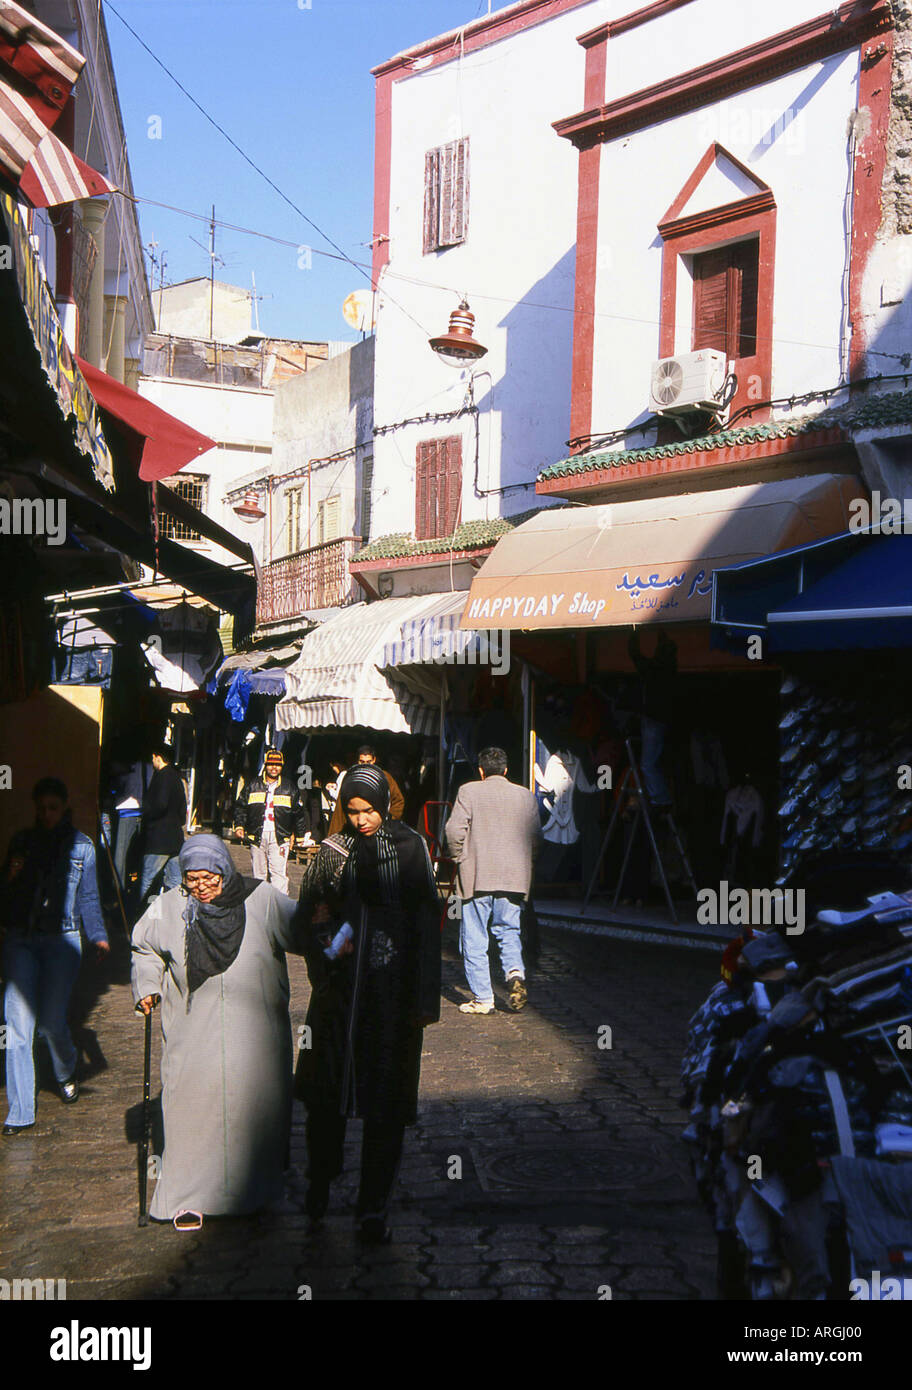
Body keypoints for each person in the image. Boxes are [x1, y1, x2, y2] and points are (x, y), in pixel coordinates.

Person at [293, 764, 441, 1243]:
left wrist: (425, 998)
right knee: (326, 1100)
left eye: (369, 810)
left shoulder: (412, 848)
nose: (361, 820)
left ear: (385, 805)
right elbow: (307, 919)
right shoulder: (333, 853)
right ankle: (320, 1181)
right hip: (339, 999)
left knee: (386, 1104)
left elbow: (426, 923)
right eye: (353, 811)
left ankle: (373, 1207)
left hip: (392, 1002)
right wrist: (332, 943)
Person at [131, 834, 299, 1228]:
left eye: (210, 878)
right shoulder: (168, 906)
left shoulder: (262, 899)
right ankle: (187, 1198)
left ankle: (253, 1195)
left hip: (252, 1034)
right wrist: (148, 986)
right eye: (193, 879)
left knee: (251, 1109)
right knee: (189, 1109)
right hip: (192, 1032)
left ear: (225, 870)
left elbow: (305, 928)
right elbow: (145, 947)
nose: (202, 887)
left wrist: (336, 929)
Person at [1, 778, 110, 1134]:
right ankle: (20, 1112)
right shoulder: (22, 841)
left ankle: (65, 1070)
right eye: (41, 808)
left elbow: (89, 897)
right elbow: (6, 891)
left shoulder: (82, 846)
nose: (46, 814)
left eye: (53, 807)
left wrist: (98, 935)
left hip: (63, 938)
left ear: (64, 808)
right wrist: (11, 876)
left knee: (50, 1021)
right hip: (22, 939)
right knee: (17, 1025)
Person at [444, 746, 543, 1015]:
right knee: (509, 930)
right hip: (514, 876)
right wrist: (527, 863)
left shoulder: (468, 791)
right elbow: (536, 837)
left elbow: (453, 830)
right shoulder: (525, 795)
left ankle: (483, 999)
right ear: (506, 770)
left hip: (477, 875)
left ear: (481, 770)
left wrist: (459, 857)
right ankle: (514, 973)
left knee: (474, 937)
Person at [233, 747, 303, 896]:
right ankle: (260, 903)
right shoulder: (252, 785)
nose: (274, 768)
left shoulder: (290, 787)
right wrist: (239, 825)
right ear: (265, 765)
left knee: (279, 874)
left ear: (282, 766)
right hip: (257, 835)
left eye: (277, 765)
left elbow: (298, 813)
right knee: (259, 875)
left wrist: (300, 835)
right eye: (271, 764)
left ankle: (280, 905)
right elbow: (241, 807)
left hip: (280, 837)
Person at [138, 744, 186, 906]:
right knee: (175, 882)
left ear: (158, 757)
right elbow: (182, 810)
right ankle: (175, 913)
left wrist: (147, 816)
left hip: (159, 838)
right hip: (175, 838)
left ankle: (135, 914)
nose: (152, 762)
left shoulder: (162, 776)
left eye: (152, 758)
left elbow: (160, 804)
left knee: (146, 880)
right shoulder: (176, 777)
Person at [326, 745, 405, 836]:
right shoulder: (351, 778)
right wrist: (335, 834)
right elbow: (340, 809)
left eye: (369, 761)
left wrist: (389, 820)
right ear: (357, 761)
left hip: (380, 829)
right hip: (357, 828)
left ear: (374, 760)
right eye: (362, 761)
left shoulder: (384, 777)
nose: (365, 765)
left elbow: (398, 801)